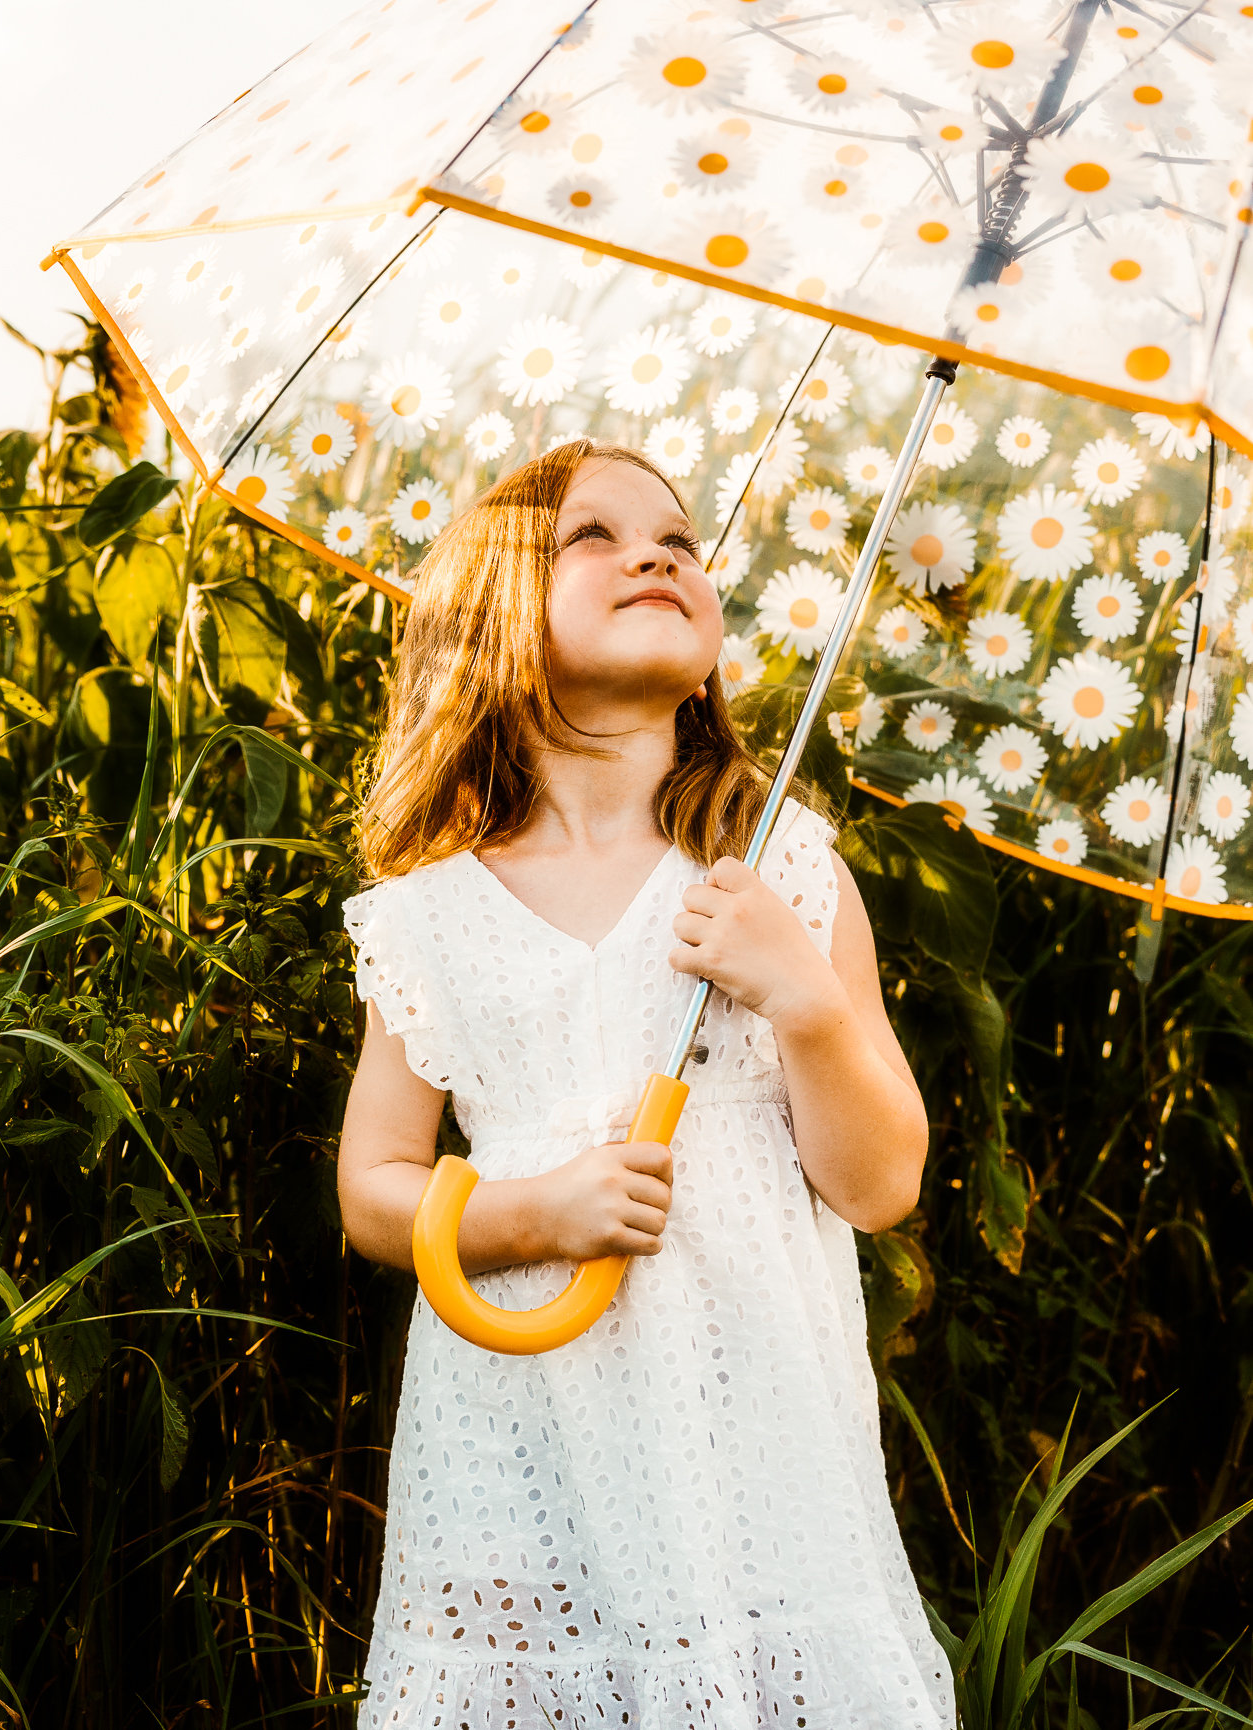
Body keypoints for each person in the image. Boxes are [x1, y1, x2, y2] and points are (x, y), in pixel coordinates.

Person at [334, 440, 954, 1728]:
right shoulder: (432, 917)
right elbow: (372, 1184)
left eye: (679, 539)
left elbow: (882, 1179)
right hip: (524, 1439)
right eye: (596, 538)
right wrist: (532, 1214)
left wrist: (806, 1000)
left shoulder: (778, 869)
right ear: (493, 610)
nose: (658, 554)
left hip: (756, 1436)